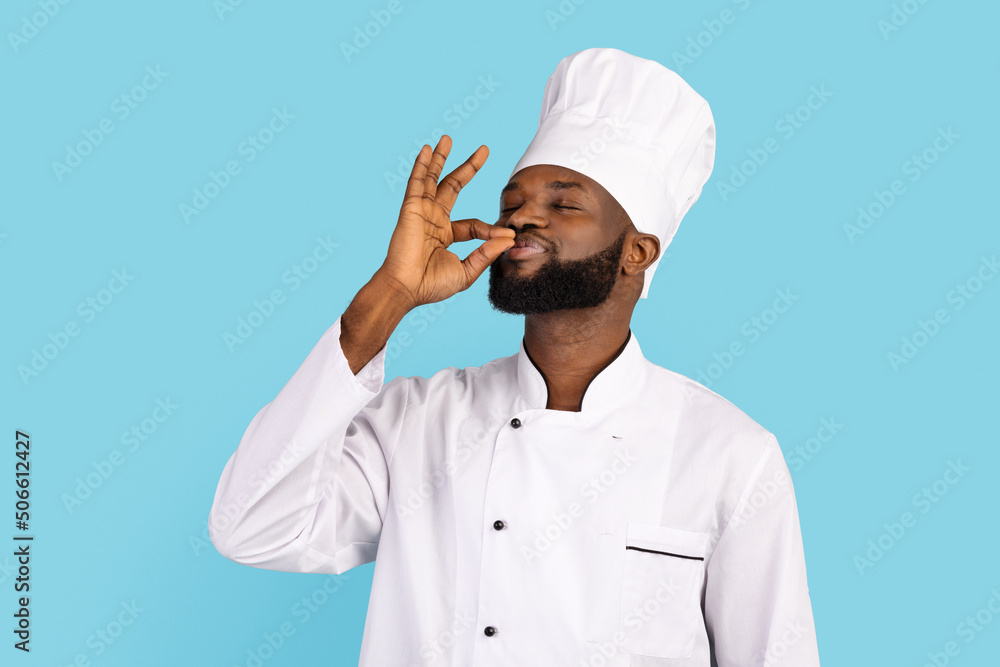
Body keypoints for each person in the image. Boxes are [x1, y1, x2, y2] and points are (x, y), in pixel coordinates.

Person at [209, 48, 821, 665]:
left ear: (637, 252)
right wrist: (390, 295)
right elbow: (250, 526)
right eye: (511, 203)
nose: (523, 216)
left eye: (564, 203)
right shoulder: (417, 422)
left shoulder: (729, 454)